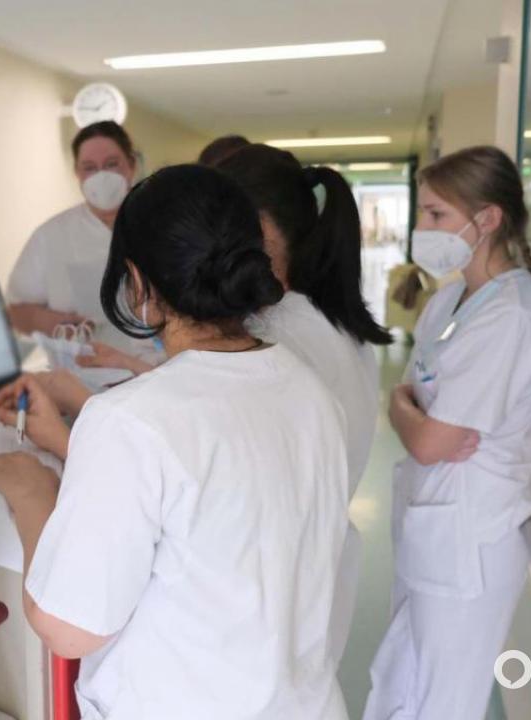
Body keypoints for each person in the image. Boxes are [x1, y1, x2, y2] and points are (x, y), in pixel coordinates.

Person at [0, 164, 350, 719]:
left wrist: (36, 496)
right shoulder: (310, 390)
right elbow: (215, 490)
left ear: (138, 283)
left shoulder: (131, 422)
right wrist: (85, 409)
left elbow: (69, 629)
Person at [363, 146, 531, 720]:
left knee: (444, 699)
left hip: (471, 532)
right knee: (402, 671)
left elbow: (426, 433)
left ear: (488, 219)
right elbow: (416, 409)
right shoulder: (450, 297)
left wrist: (402, 410)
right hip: (432, 516)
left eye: (437, 214)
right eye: (422, 213)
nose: (422, 228)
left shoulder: (513, 315)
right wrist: (406, 410)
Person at [215, 143, 393, 662]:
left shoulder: (273, 336)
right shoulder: (328, 321)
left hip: (267, 601)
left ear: (263, 232)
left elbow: (207, 472)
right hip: (305, 586)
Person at [7, 121, 139, 336]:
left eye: (111, 164)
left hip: (160, 365)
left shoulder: (163, 224)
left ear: (131, 165)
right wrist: (59, 324)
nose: (101, 176)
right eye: (89, 167)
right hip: (80, 366)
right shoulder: (50, 235)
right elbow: (17, 312)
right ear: (77, 172)